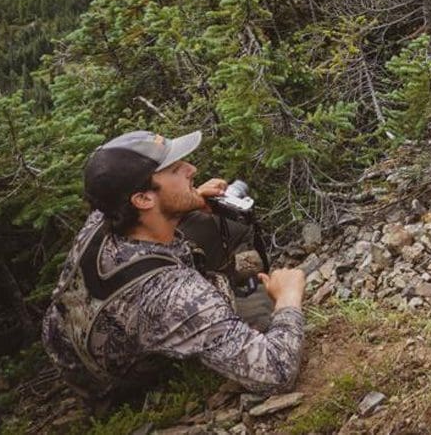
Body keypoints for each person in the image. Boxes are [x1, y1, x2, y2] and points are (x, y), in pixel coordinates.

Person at [41, 130, 306, 409]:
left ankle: (228, 285)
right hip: (120, 380)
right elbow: (276, 372)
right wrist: (288, 298)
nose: (192, 169)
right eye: (176, 170)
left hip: (79, 339)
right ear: (143, 199)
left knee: (223, 222)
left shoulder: (105, 213)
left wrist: (191, 198)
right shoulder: (172, 295)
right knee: (261, 308)